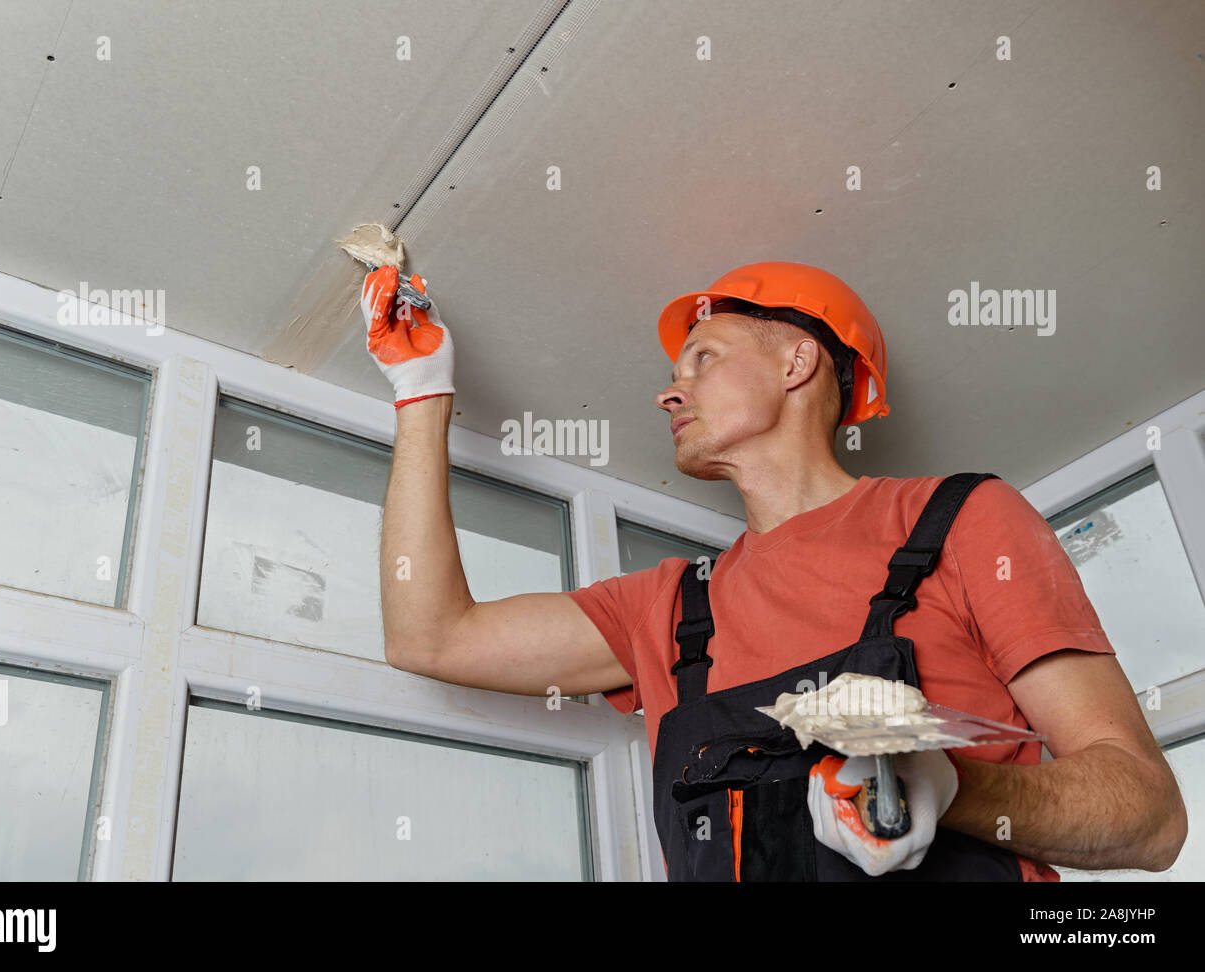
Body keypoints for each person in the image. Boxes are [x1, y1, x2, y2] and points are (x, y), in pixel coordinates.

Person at [361, 260, 1187, 881]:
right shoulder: (671, 609)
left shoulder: (959, 520)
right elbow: (429, 636)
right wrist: (421, 393)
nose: (667, 392)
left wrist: (948, 788)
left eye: (702, 359)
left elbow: (1149, 817)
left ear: (798, 363)